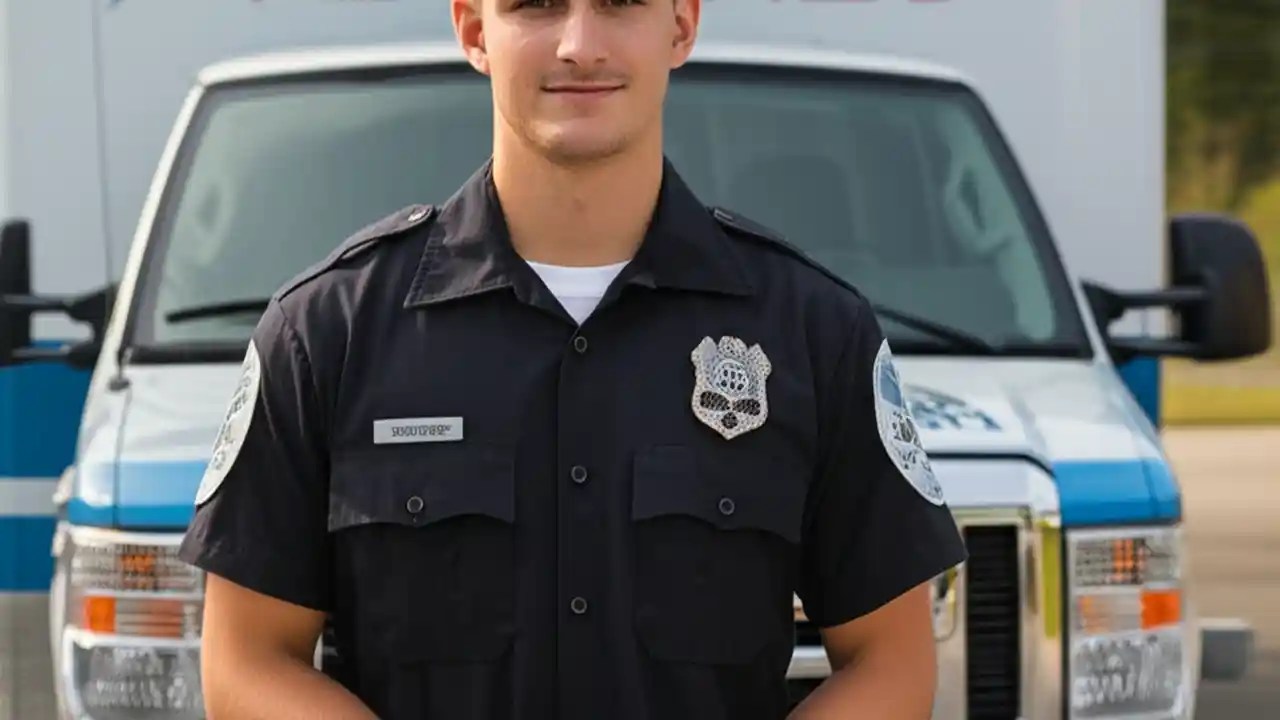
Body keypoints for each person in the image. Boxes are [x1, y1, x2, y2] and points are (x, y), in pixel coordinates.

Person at [177, 0, 969, 718]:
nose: (580, 45)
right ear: (474, 27)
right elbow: (247, 661)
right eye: (537, 6)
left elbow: (890, 661)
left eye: (621, 4)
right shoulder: (327, 334)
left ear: (682, 24)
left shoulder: (813, 333)